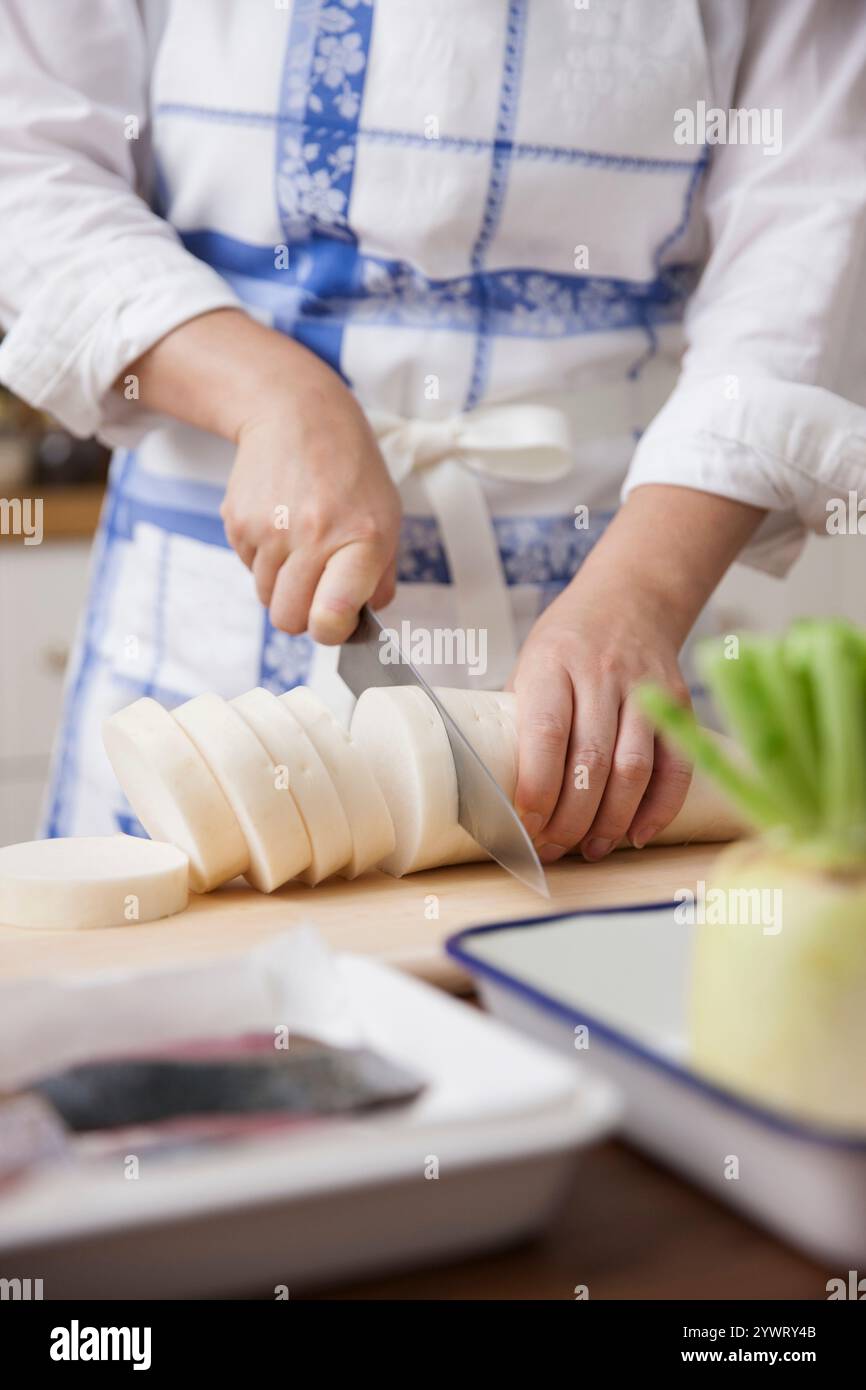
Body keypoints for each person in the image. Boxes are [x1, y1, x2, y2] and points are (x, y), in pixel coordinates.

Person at [0, 0, 863, 865]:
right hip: (204, 616)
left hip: (624, 587)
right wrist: (274, 395)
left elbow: (807, 217)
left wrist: (643, 593)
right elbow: (26, 159)